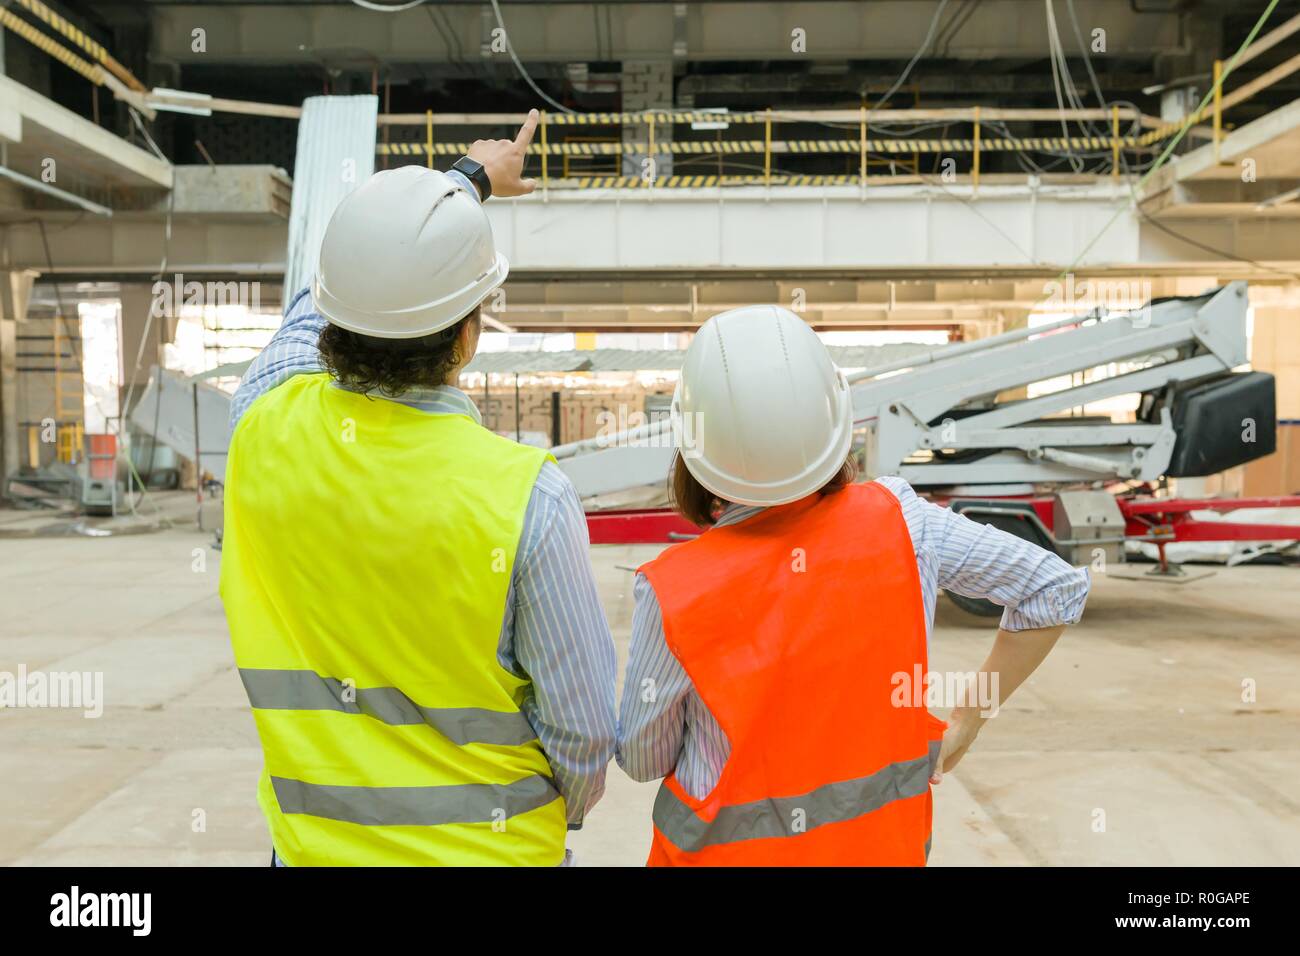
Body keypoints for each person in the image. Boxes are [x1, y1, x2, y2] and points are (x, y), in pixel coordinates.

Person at [221, 110, 616, 866]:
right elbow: (585, 733)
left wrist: (461, 182)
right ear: (469, 335)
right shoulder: (528, 498)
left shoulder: (260, 427)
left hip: (314, 852)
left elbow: (326, 300)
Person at [617, 304, 1090, 866]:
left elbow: (644, 759)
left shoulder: (673, 590)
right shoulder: (904, 522)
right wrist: (968, 720)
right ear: (836, 417)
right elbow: (1054, 589)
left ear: (691, 446)